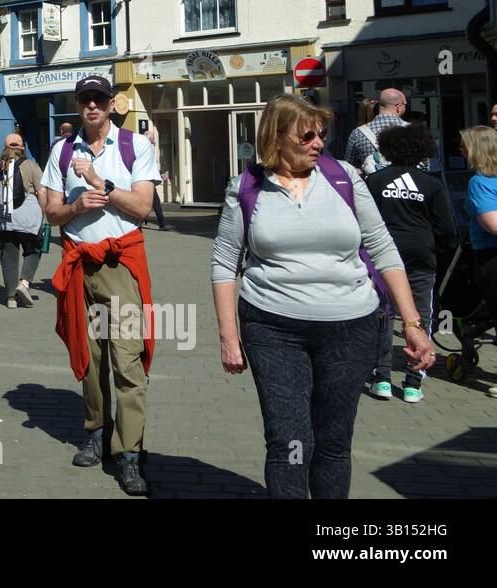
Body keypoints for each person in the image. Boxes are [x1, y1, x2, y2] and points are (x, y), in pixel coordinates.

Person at [212, 93, 429, 499]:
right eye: (306, 136)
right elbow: (224, 264)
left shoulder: (345, 176)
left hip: (351, 328)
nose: (318, 143)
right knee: (288, 440)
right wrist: (228, 337)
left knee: (332, 440)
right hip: (273, 329)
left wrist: (413, 324)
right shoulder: (245, 187)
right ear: (276, 137)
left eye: (321, 134)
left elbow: (384, 249)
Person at [43, 76, 160, 495]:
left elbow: (143, 207)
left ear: (112, 104)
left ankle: (129, 452)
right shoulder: (61, 150)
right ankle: (96, 432)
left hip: (121, 265)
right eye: (85, 100)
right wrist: (75, 205)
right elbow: (52, 214)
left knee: (127, 360)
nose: (92, 106)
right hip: (79, 265)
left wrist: (100, 185)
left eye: (99, 99)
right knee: (90, 361)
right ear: (78, 105)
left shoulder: (135, 146)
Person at [364, 126, 458, 403]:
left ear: (387, 149)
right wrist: (440, 248)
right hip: (421, 254)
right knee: (420, 314)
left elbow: (363, 218)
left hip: (383, 255)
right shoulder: (431, 183)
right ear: (423, 150)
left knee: (383, 314)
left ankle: (381, 378)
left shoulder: (375, 181)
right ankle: (413, 382)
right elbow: (447, 227)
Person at [0, 141, 46, 309]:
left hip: (2, 220)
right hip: (28, 217)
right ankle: (24, 283)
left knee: (8, 257)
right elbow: (42, 191)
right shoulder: (31, 166)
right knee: (33, 250)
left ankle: (10, 298)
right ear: (22, 149)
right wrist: (43, 213)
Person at [462, 125, 497, 381]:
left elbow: (492, 224)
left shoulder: (480, 182)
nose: (460, 150)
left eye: (464, 145)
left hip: (490, 255)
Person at [344, 88, 409, 175]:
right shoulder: (412, 131)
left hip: (373, 186)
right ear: (399, 107)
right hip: (408, 185)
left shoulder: (358, 133)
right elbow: (425, 165)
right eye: (405, 104)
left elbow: (348, 167)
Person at [143, 128, 169, 231]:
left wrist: (159, 173)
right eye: (153, 139)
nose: (154, 141)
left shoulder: (146, 148)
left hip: (148, 179)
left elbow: (151, 165)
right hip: (146, 180)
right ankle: (162, 224)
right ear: (149, 139)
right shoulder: (145, 149)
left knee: (151, 201)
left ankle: (143, 219)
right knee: (155, 201)